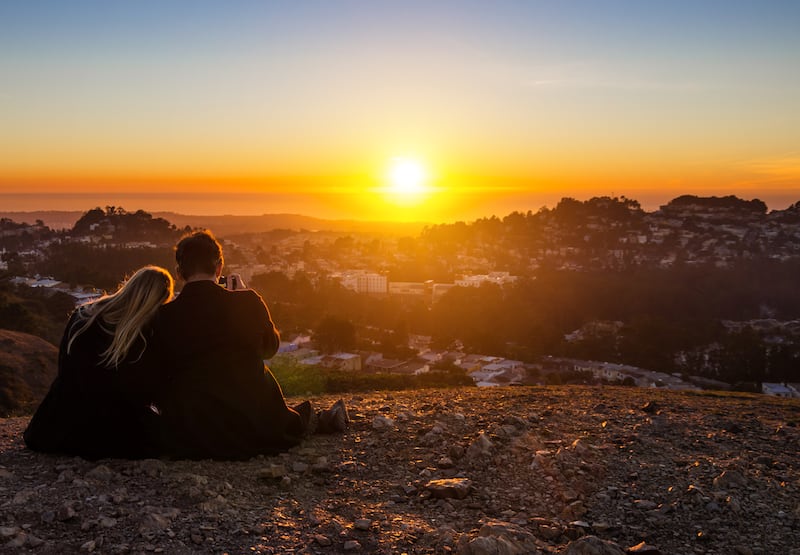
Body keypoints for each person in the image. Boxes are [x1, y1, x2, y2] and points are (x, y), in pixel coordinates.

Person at [152, 230, 347, 461]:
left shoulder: (163, 316)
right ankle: (317, 419)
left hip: (190, 433)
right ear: (219, 268)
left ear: (179, 272)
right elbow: (270, 348)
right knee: (293, 414)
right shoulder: (246, 301)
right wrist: (243, 297)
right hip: (252, 424)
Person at [23, 266, 174, 460]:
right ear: (158, 301)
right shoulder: (143, 334)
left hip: (56, 426)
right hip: (110, 430)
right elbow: (142, 391)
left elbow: (65, 369)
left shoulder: (84, 315)